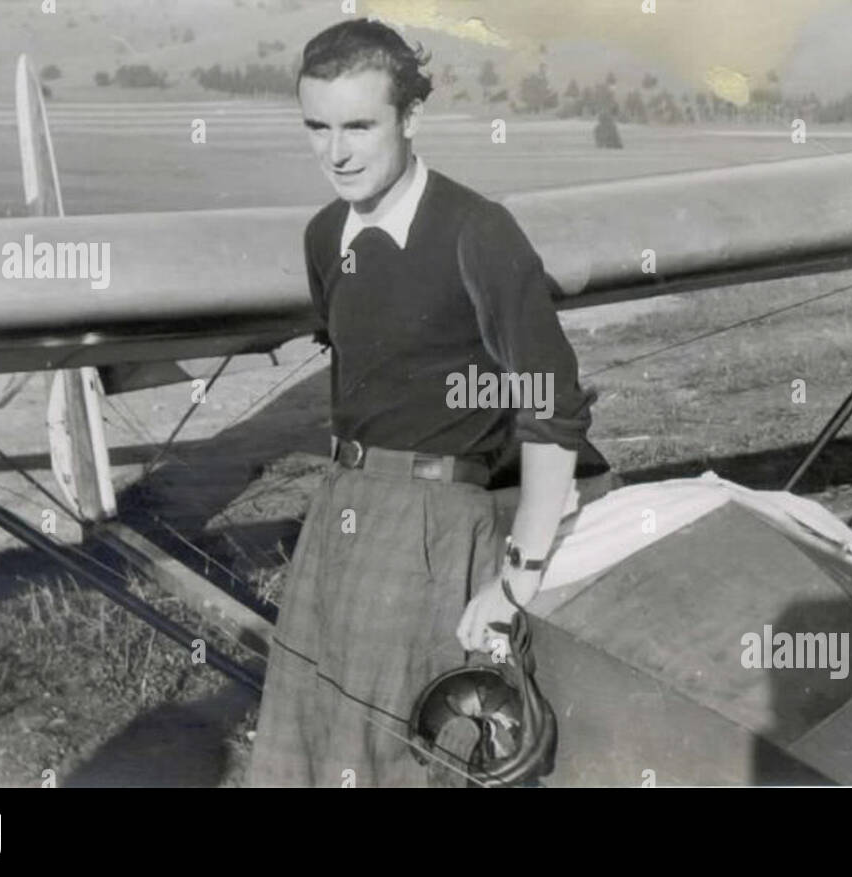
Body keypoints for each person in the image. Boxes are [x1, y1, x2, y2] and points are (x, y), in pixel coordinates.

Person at [248, 17, 609, 788]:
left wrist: (517, 579)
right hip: (338, 513)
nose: (335, 152)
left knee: (407, 759)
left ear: (410, 118)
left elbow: (551, 409)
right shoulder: (323, 237)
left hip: (434, 525)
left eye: (358, 126)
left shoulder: (478, 233)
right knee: (306, 749)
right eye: (317, 127)